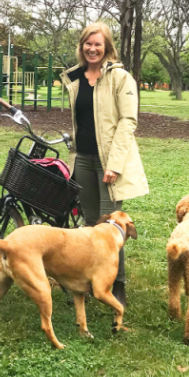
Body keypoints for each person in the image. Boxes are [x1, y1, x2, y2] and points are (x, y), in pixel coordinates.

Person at [62, 22, 149, 306]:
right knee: (90, 224)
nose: (92, 49)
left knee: (112, 226)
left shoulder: (120, 78)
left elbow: (128, 121)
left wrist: (114, 164)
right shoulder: (75, 78)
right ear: (82, 46)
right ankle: (90, 280)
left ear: (107, 47)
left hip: (109, 162)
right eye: (88, 43)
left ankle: (117, 283)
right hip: (83, 160)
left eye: (98, 44)